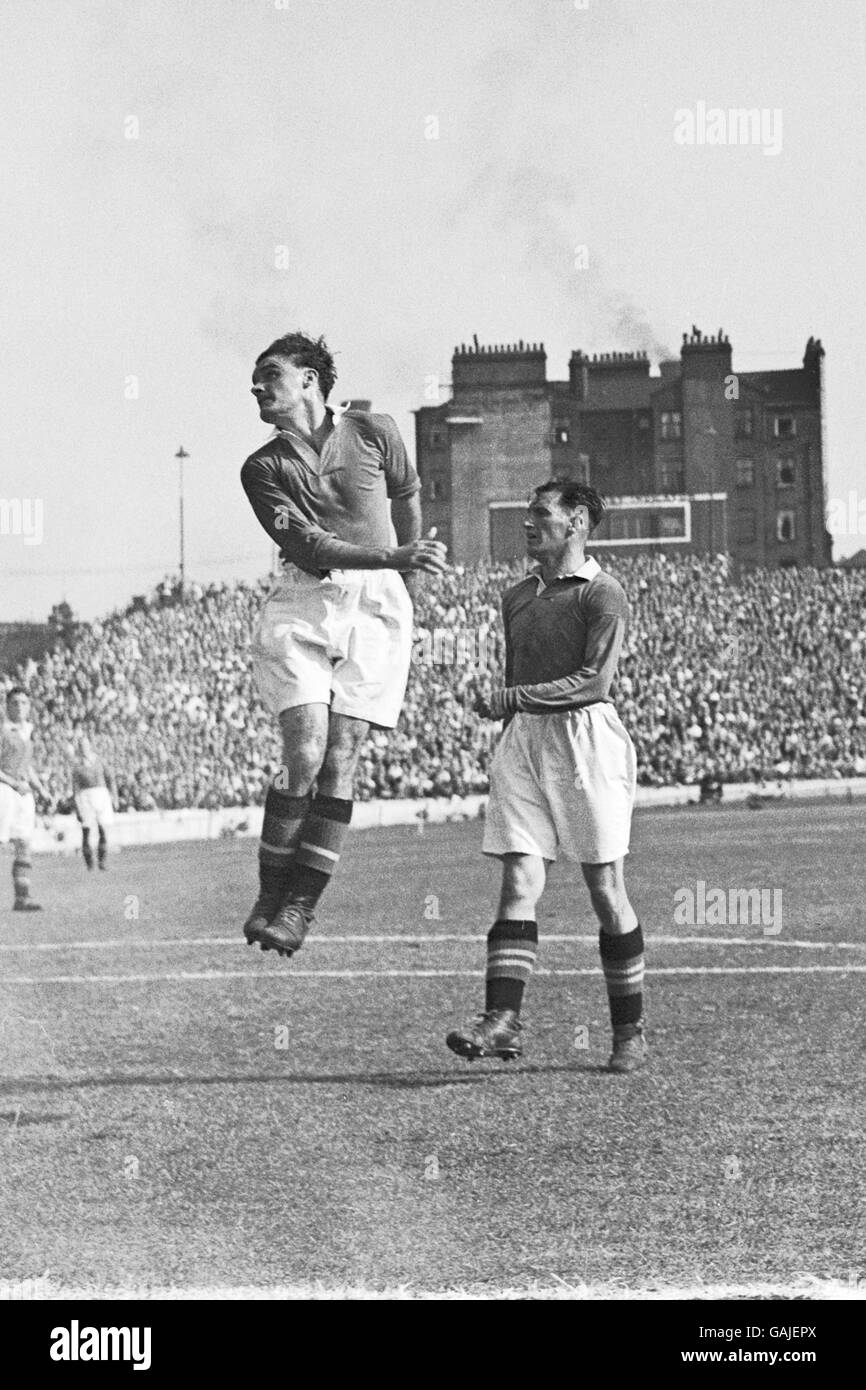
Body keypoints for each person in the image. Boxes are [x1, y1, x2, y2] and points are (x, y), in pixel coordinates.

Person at [240, 331, 447, 956]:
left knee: (343, 753)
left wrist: (402, 576)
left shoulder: (374, 430)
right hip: (305, 600)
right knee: (304, 752)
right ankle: (270, 892)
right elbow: (308, 546)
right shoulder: (262, 466)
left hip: (378, 601)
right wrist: (395, 555)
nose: (256, 386)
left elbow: (408, 492)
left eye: (268, 373)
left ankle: (299, 909)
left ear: (309, 379)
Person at [447, 480, 647, 1073]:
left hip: (587, 739)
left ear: (577, 521)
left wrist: (513, 696)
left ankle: (629, 1031)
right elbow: (522, 681)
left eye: (541, 514)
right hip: (526, 740)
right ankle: (503, 1020)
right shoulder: (516, 596)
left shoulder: (603, 593)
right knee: (518, 881)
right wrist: (508, 706)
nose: (528, 523)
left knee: (605, 891)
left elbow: (594, 682)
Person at [0, 687, 44, 911]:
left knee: (24, 843)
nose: (19, 707)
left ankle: (22, 898)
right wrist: (13, 782)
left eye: (24, 703)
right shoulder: (2, 730)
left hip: (23, 792)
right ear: (7, 705)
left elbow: (27, 766)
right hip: (4, 790)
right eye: (15, 702)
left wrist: (41, 788)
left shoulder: (27, 731)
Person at [71, 735, 117, 869]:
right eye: (80, 746)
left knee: (103, 827)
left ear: (90, 746)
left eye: (85, 745)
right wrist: (77, 804)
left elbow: (110, 778)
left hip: (101, 793)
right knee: (86, 829)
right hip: (85, 796)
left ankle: (102, 861)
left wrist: (114, 796)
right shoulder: (77, 765)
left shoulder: (99, 761)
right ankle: (89, 862)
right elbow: (75, 786)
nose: (83, 748)